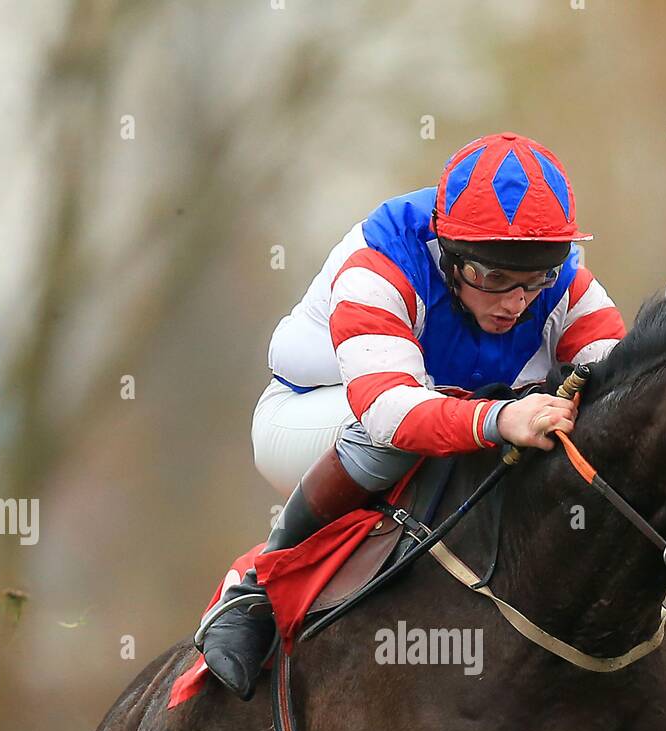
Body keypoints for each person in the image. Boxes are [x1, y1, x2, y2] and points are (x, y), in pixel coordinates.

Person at [197, 131, 625, 699]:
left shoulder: (560, 279)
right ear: (448, 254)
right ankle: (255, 583)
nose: (515, 302)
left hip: (428, 414)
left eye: (533, 281)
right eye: (493, 278)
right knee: (412, 435)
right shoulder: (380, 260)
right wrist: (501, 419)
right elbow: (389, 413)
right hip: (311, 418)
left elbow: (623, 381)